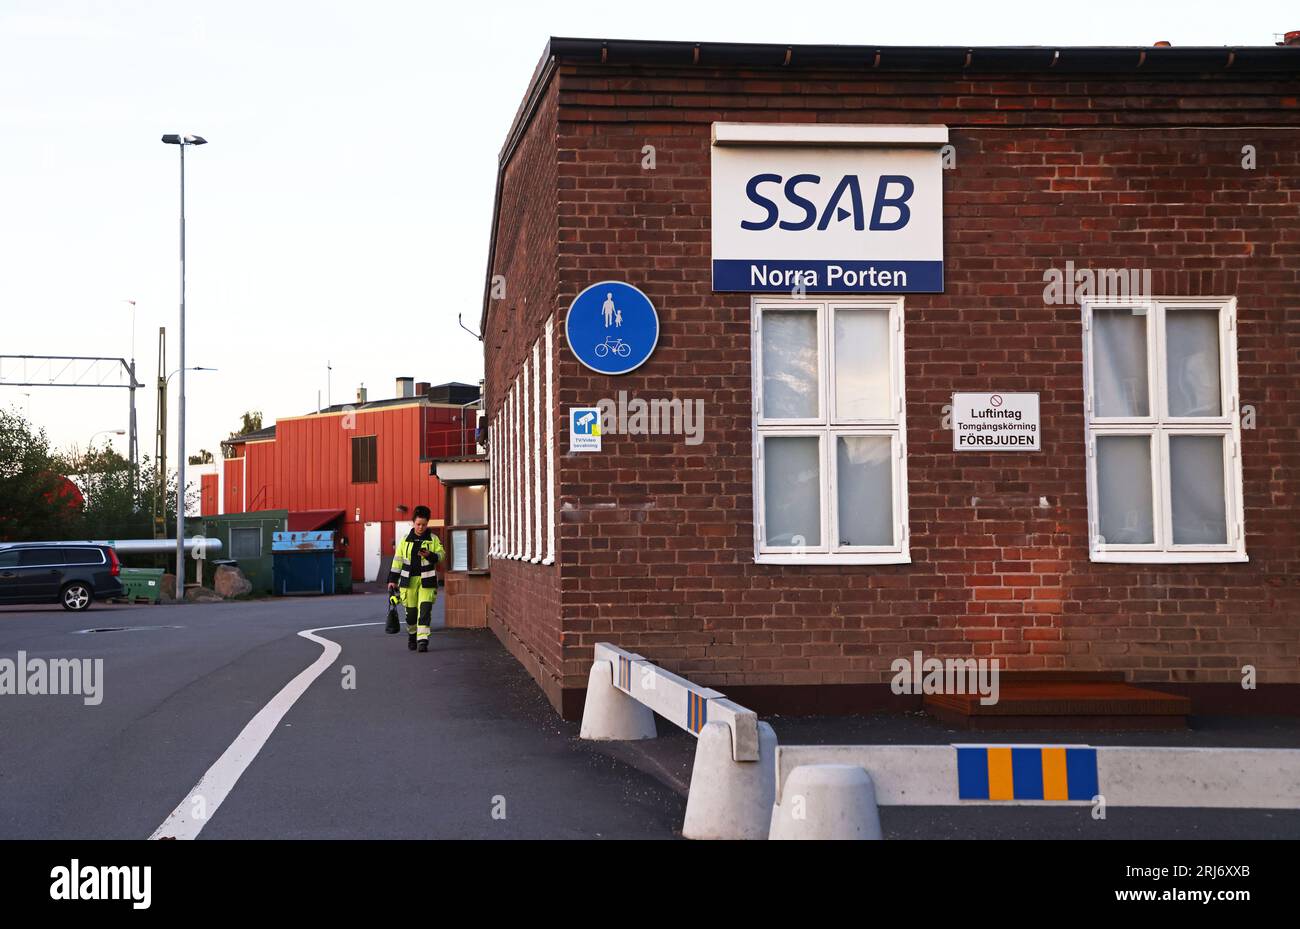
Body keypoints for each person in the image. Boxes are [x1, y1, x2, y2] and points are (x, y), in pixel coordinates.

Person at [387, 505, 445, 652]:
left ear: (427, 524)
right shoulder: (404, 540)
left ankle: (423, 641)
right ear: (413, 523)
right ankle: (412, 635)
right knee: (411, 615)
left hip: (427, 582)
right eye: (418, 524)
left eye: (424, 524)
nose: (421, 527)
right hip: (408, 583)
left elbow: (441, 556)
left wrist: (429, 555)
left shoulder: (433, 539)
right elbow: (397, 561)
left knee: (425, 611)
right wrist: (392, 580)